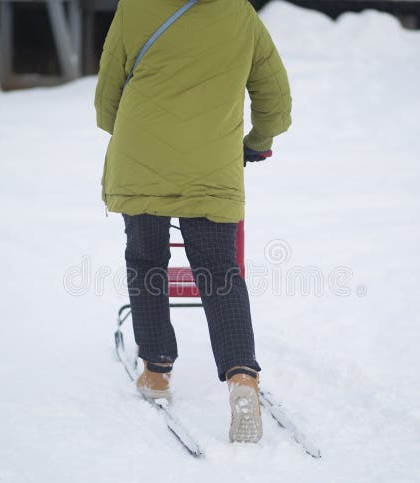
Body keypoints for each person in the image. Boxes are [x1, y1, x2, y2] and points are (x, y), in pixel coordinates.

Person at [95, 0, 291, 443]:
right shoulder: (240, 14)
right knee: (220, 270)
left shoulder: (134, 8)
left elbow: (106, 100)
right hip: (212, 168)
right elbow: (275, 100)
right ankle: (242, 379)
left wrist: (137, 134)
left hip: (140, 160)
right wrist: (256, 143)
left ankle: (158, 372)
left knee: (146, 261)